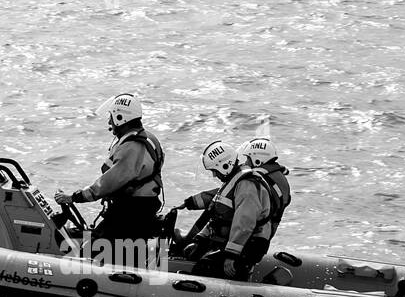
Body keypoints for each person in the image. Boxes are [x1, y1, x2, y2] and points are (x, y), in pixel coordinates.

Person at [54, 93, 165, 244]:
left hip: (131, 213)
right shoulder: (148, 138)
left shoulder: (132, 146)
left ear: (120, 118)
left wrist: (75, 197)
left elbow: (109, 182)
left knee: (93, 248)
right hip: (140, 208)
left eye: (111, 117)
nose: (109, 122)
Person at [174, 140, 276, 280]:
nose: (214, 176)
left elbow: (244, 224)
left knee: (205, 266)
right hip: (236, 242)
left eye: (215, 171)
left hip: (249, 245)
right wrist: (199, 240)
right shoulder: (233, 181)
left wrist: (231, 255)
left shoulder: (246, 184)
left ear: (225, 166)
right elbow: (217, 218)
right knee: (197, 257)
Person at [240, 137, 291, 232]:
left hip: (252, 235)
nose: (246, 162)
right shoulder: (279, 178)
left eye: (248, 158)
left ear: (257, 160)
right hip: (265, 235)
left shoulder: (258, 179)